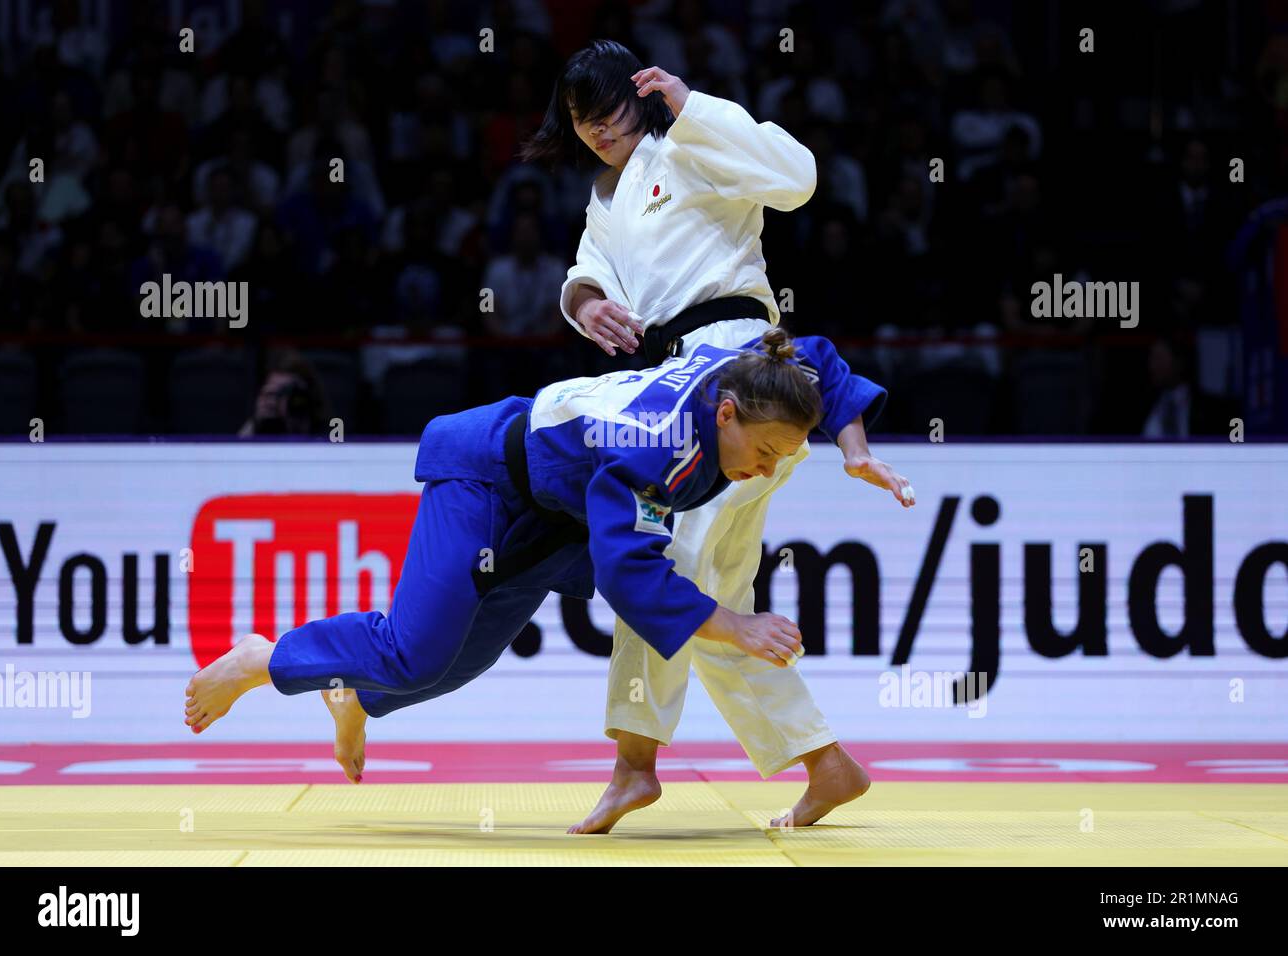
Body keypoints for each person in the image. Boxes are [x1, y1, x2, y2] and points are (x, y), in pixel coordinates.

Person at [184, 331, 888, 804]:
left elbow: (817, 358)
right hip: (487, 476)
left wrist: (852, 446)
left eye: (782, 460)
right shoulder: (652, 445)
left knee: (460, 663)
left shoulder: (752, 369)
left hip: (559, 506)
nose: (765, 470)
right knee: (415, 650)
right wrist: (734, 623)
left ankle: (354, 698)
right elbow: (628, 574)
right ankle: (262, 659)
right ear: (726, 414)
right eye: (764, 452)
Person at [522, 41, 915, 833]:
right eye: (581, 123)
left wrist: (692, 106)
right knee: (718, 600)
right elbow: (587, 268)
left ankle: (634, 767)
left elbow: (798, 178)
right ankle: (823, 762)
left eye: (608, 115)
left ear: (642, 96)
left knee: (657, 565)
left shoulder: (695, 142)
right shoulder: (607, 194)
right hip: (678, 382)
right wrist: (587, 302)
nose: (597, 134)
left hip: (739, 371)